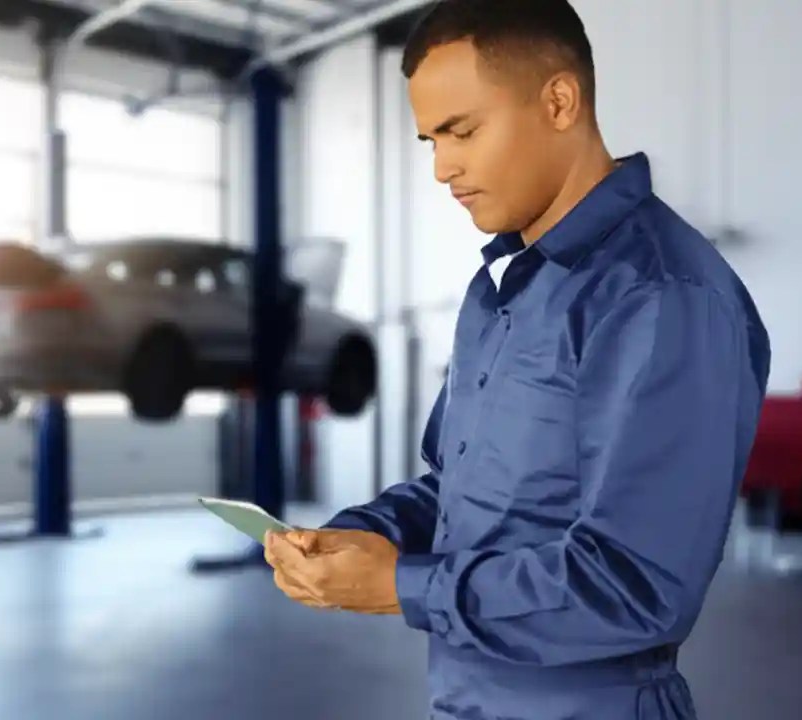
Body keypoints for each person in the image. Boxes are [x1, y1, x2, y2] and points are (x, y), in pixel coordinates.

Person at [262, 0, 772, 718]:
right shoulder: (503, 289)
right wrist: (362, 534)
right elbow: (462, 492)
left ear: (559, 101)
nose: (442, 168)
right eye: (430, 140)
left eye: (462, 131)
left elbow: (637, 586)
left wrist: (401, 586)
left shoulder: (660, 296)